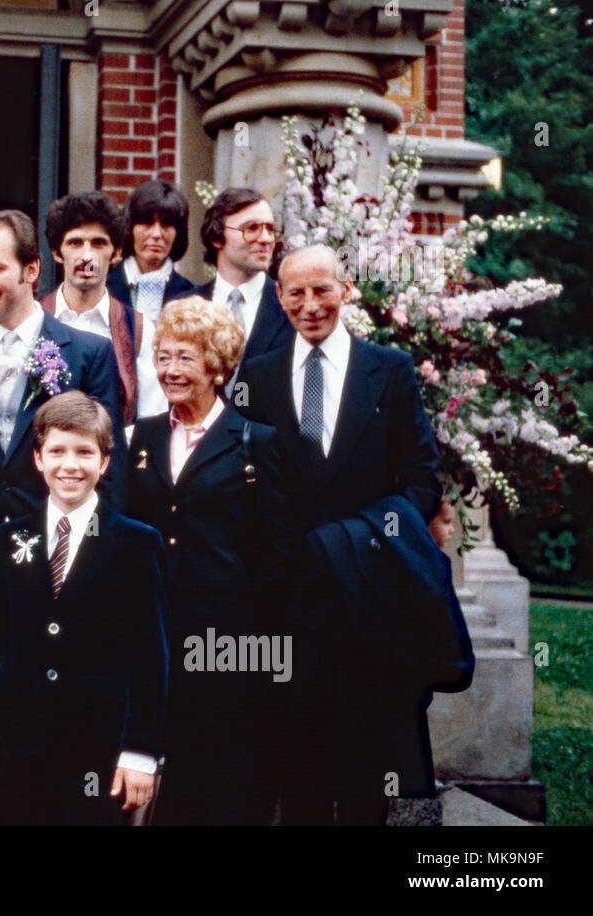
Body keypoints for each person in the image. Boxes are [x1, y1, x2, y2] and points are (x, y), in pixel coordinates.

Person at [237, 243, 471, 825]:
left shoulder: (388, 371)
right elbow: (247, 486)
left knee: (372, 763)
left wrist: (355, 539)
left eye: (322, 289)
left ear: (346, 290)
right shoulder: (258, 376)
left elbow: (420, 481)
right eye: (296, 292)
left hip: (372, 590)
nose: (310, 304)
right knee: (300, 766)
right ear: (279, 298)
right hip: (292, 601)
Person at [0, 208, 127, 823]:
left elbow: (104, 469)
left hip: (56, 565)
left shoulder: (85, 351)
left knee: (47, 712)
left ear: (32, 270)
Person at [0, 391, 167, 825]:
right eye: (56, 451)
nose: (69, 465)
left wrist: (141, 750)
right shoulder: (10, 539)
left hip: (97, 748)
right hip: (17, 741)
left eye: (84, 453)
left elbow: (150, 654)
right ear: (38, 459)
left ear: (105, 462)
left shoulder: (136, 542)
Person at [126, 296, 292, 825]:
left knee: (216, 773)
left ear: (216, 366)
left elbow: (278, 553)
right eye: (163, 356)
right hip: (152, 632)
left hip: (226, 640)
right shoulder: (143, 438)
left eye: (185, 358)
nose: (170, 370)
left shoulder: (256, 442)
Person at [41, 191, 165, 426]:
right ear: (57, 252)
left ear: (116, 253)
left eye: (98, 243)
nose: (87, 255)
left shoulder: (138, 328)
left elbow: (150, 420)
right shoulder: (33, 318)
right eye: (75, 243)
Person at [191, 188, 292, 378]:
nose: (265, 239)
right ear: (216, 237)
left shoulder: (291, 305)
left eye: (270, 229)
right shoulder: (187, 307)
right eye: (251, 228)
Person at [106, 179, 198, 321]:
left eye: (166, 225)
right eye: (147, 223)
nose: (156, 234)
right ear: (130, 228)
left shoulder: (194, 297)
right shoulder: (100, 288)